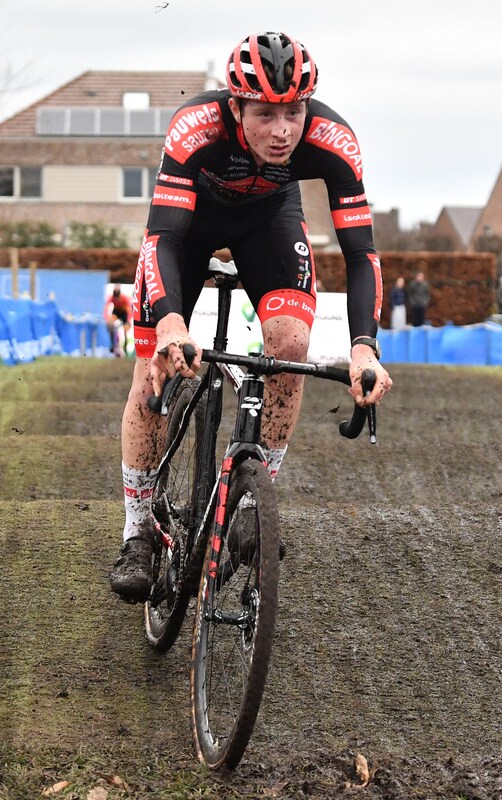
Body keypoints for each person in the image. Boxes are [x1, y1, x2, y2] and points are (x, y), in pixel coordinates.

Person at [108, 31, 392, 601]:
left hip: (269, 223)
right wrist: (169, 324)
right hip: (188, 230)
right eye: (265, 114)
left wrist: (364, 346)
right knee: (152, 373)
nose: (283, 130)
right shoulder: (196, 126)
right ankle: (138, 531)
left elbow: (361, 253)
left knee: (289, 346)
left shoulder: (333, 139)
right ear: (235, 106)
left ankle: (253, 501)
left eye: (294, 112)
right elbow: (163, 236)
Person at [102, 285, 132, 357]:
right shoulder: (111, 298)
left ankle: (125, 347)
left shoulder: (125, 298)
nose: (117, 299)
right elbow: (106, 308)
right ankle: (112, 345)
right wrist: (107, 319)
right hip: (116, 311)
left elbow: (129, 311)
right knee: (110, 325)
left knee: (125, 330)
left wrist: (128, 321)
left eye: (117, 298)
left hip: (124, 313)